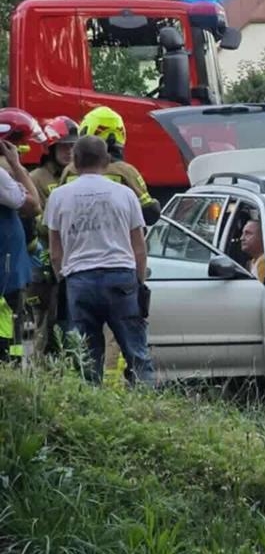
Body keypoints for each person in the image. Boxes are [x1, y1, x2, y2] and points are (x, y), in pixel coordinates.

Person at [45, 136, 154, 386]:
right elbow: (139, 247)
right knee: (137, 353)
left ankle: (91, 401)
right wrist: (138, 282)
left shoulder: (58, 197)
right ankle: (146, 398)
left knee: (87, 358)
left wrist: (64, 279)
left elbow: (55, 251)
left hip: (79, 280)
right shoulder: (125, 194)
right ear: (106, 160)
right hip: (121, 277)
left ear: (75, 161)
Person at [25, 116, 79, 360]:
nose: (69, 152)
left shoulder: (76, 176)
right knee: (39, 322)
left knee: (66, 323)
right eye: (64, 146)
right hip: (43, 262)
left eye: (74, 146)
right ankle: (34, 371)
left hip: (71, 260)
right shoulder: (37, 178)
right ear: (50, 148)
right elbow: (37, 222)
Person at [60, 106, 162, 225]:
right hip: (117, 235)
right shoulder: (126, 171)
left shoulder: (70, 170)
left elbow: (57, 209)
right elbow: (150, 213)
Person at [0, 110, 44, 363]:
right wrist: (16, 165)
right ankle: (10, 372)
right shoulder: (2, 178)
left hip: (10, 270)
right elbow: (34, 205)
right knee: (10, 339)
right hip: (6, 274)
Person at [240, 219, 265, 283]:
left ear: (262, 237)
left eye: (248, 234)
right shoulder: (254, 261)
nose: (242, 238)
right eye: (243, 233)